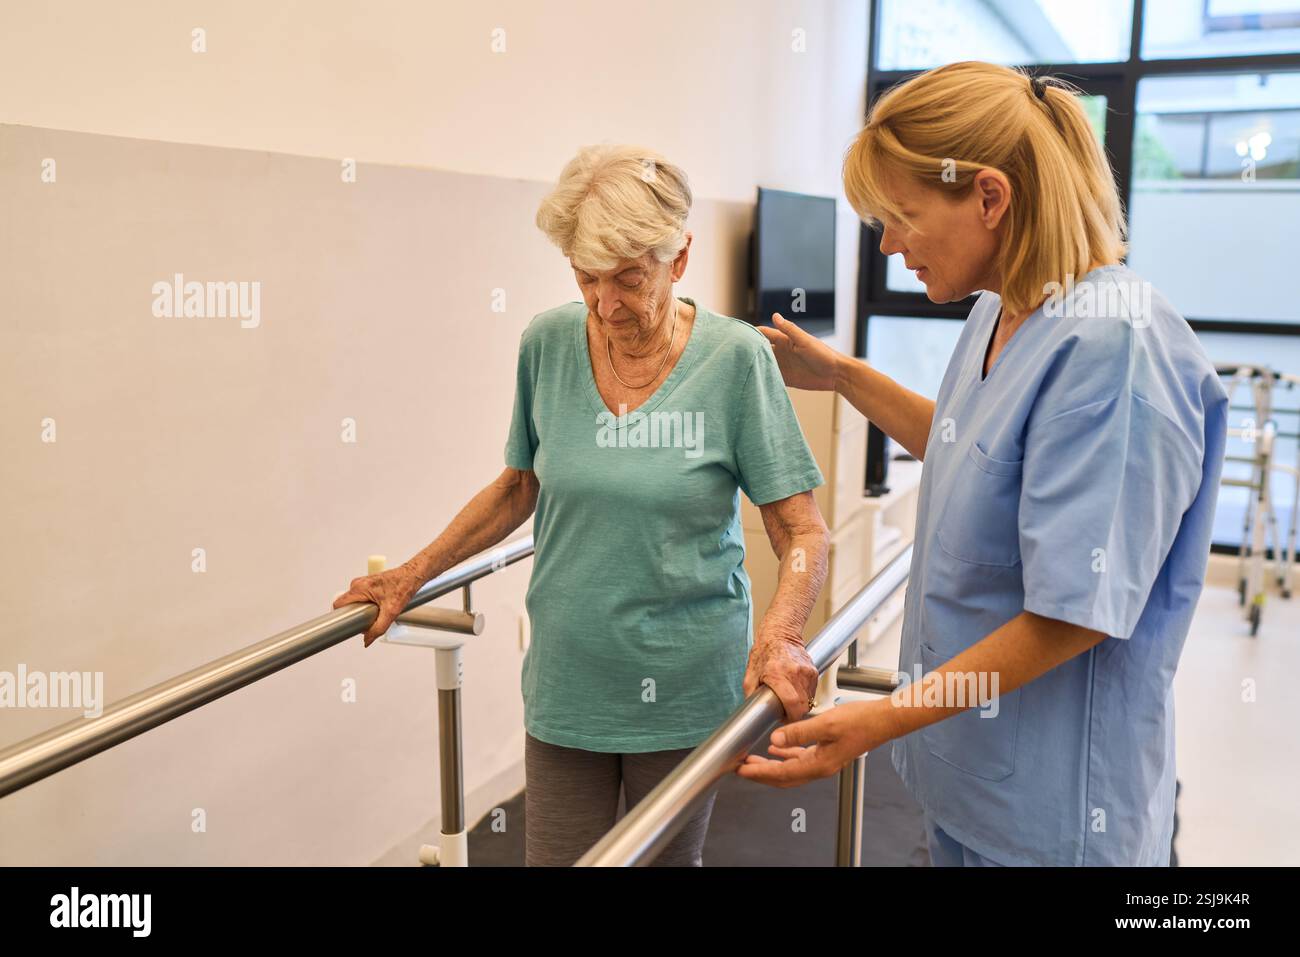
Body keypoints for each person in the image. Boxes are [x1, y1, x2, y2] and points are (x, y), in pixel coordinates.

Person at [736, 61, 1229, 867]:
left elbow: (1075, 610)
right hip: (970, 785)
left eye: (901, 216)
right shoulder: (1003, 308)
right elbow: (974, 445)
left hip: (1054, 819)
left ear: (990, 197)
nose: (889, 244)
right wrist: (843, 376)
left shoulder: (1117, 348)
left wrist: (881, 718)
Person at [333, 144, 829, 866]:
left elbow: (801, 527)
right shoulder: (548, 343)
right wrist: (408, 575)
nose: (605, 303)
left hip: (686, 683)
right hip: (570, 678)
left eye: (629, 278)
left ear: (679, 258)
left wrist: (784, 631)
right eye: (586, 277)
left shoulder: (734, 361)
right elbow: (518, 485)